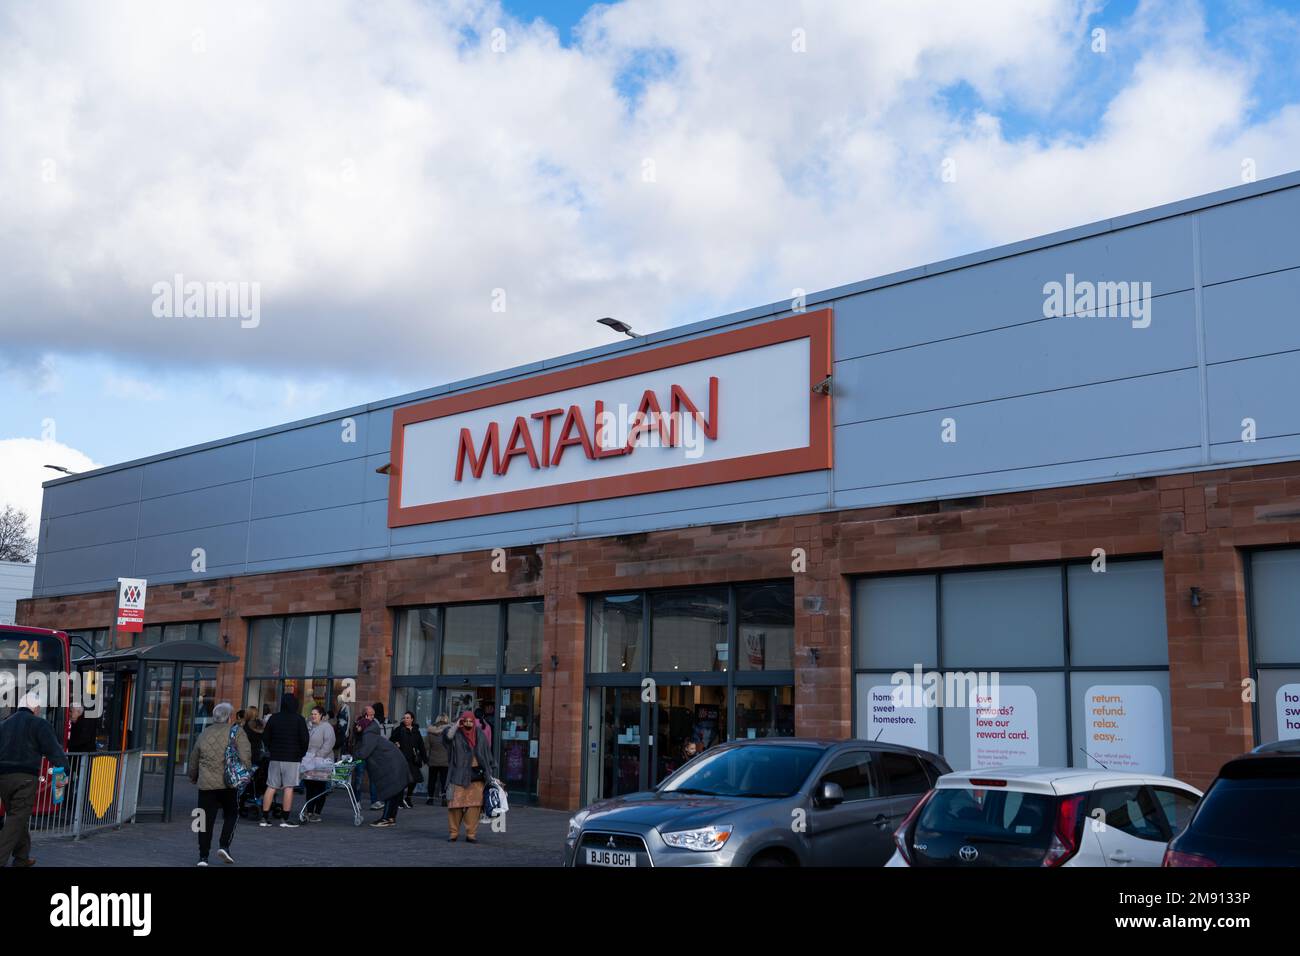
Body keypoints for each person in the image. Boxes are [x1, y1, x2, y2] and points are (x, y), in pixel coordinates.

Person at [0, 690, 70, 867]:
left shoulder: (4, 724)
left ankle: (22, 858)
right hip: (25, 778)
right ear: (36, 708)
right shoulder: (39, 724)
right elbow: (54, 751)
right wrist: (66, 772)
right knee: (17, 818)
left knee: (17, 816)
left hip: (3, 778)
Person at [187, 701, 250, 866]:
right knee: (232, 814)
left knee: (203, 820)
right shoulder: (237, 732)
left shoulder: (204, 733)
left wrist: (193, 776)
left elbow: (194, 757)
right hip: (229, 784)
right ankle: (224, 845)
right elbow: (245, 756)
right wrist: (245, 773)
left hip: (206, 784)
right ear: (229, 717)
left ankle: (203, 857)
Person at [441, 710, 497, 844]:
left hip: (476, 776)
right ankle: (453, 833)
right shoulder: (456, 733)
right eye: (465, 721)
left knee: (474, 807)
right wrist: (456, 725)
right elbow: (447, 738)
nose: (467, 724)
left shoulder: (480, 734)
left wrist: (490, 771)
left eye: (470, 721)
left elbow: (486, 752)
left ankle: (471, 834)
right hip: (458, 775)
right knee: (454, 805)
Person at [259, 692, 309, 828]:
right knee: (289, 787)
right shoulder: (299, 719)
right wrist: (301, 753)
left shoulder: (274, 718)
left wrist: (271, 749)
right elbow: (305, 739)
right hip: (292, 758)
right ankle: (285, 819)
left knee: (271, 786)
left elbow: (265, 737)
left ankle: (264, 818)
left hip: (275, 757)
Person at [353, 720, 408, 828]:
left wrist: (353, 756)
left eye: (357, 726)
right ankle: (391, 818)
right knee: (395, 792)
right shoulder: (372, 734)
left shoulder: (368, 735)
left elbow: (363, 753)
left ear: (363, 726)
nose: (356, 728)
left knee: (390, 791)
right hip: (396, 763)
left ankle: (386, 818)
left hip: (391, 765)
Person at [302, 706, 336, 823]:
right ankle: (309, 810)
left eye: (315, 714)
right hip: (308, 760)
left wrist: (319, 755)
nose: (313, 716)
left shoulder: (327, 727)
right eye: (312, 714)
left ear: (321, 715)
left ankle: (317, 812)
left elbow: (329, 743)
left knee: (319, 787)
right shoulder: (309, 726)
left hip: (322, 761)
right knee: (310, 786)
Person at [389, 711, 426, 809]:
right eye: (404, 717)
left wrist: (425, 759)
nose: (405, 719)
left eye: (408, 718)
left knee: (413, 780)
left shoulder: (416, 731)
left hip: (413, 760)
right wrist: (396, 743)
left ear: (412, 719)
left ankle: (408, 799)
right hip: (402, 759)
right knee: (403, 781)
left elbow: (421, 746)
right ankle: (399, 801)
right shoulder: (399, 729)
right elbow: (391, 740)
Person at [424, 715, 451, 806]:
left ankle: (430, 798)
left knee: (432, 780)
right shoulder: (448, 731)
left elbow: (426, 746)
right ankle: (444, 798)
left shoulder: (431, 732)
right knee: (444, 781)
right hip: (445, 761)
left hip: (433, 760)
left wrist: (426, 758)